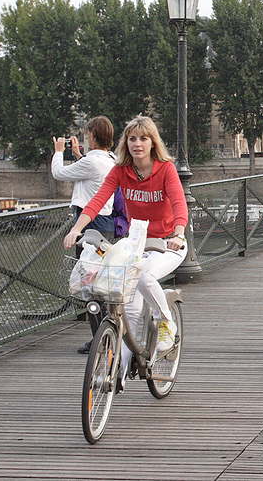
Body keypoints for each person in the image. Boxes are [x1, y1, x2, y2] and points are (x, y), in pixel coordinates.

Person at [62, 116, 188, 387]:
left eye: (143, 138)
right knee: (127, 309)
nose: (137, 144)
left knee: (143, 278)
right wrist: (76, 229)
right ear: (125, 143)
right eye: (132, 139)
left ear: (153, 142)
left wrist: (178, 233)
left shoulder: (165, 169)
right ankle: (116, 373)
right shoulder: (121, 170)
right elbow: (97, 201)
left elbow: (179, 204)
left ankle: (167, 324)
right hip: (138, 244)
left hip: (167, 244)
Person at [52, 116, 118, 354]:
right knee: (100, 281)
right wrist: (80, 155)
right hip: (106, 223)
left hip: (89, 224)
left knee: (89, 283)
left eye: (86, 133)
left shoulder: (93, 162)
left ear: (92, 135)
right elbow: (93, 174)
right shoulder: (111, 159)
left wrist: (59, 151)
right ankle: (105, 334)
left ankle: (100, 339)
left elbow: (59, 173)